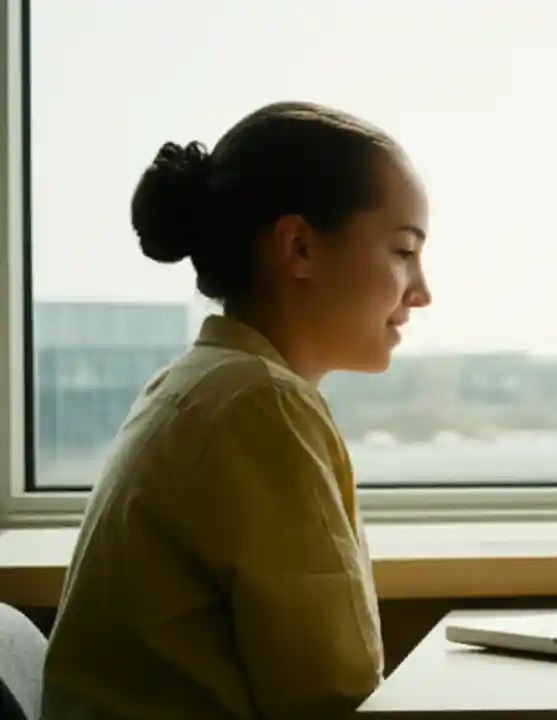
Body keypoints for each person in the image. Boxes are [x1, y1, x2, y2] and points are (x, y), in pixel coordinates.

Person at [42, 101, 431, 719]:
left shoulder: (199, 384)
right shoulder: (260, 406)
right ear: (299, 247)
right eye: (403, 251)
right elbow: (330, 701)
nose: (421, 292)